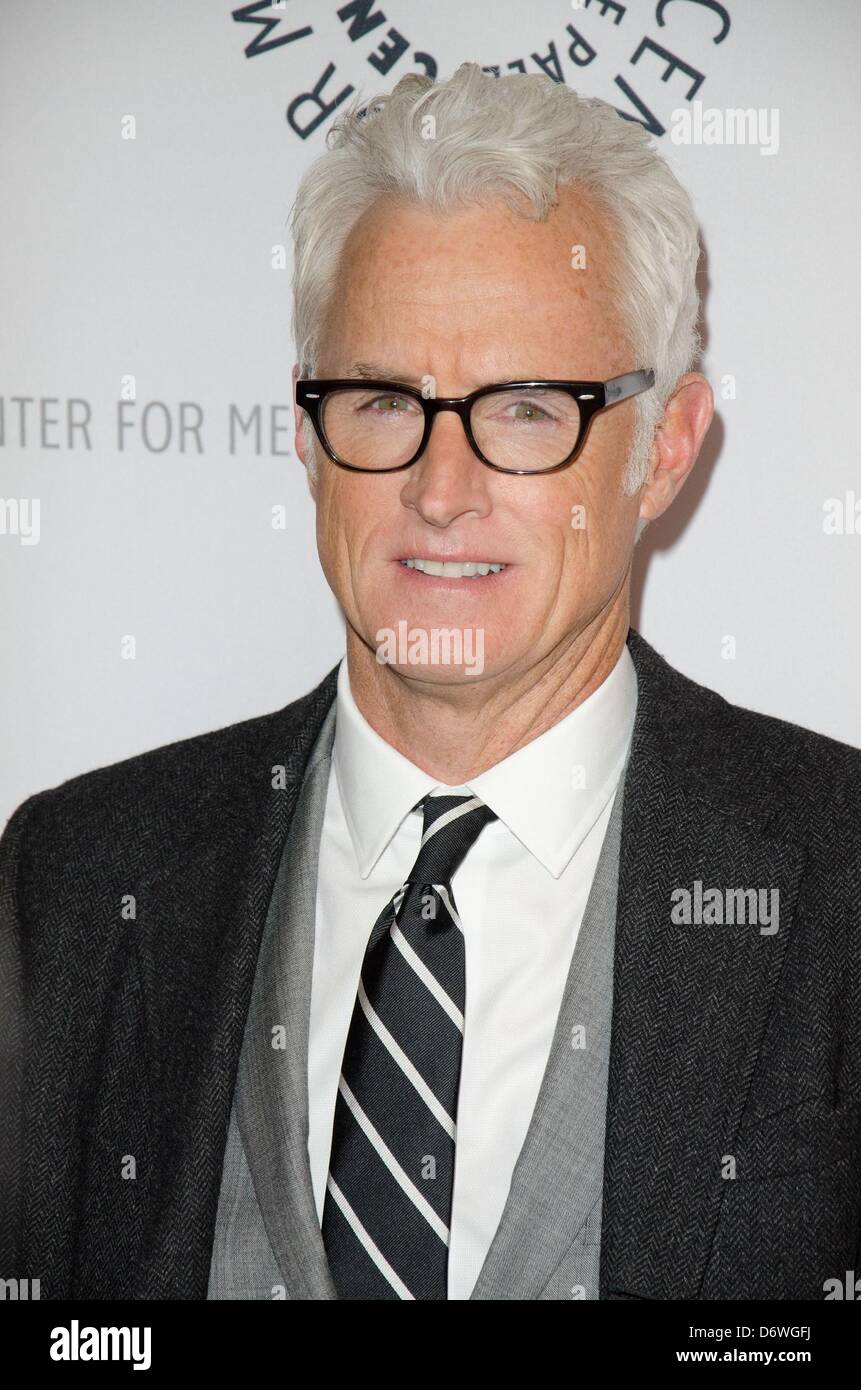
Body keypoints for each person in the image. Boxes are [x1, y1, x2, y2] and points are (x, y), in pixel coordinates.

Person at [1, 63, 858, 1302]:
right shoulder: (74, 879)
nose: (441, 489)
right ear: (305, 436)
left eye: (523, 410)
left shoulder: (841, 874)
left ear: (664, 449)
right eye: (381, 400)